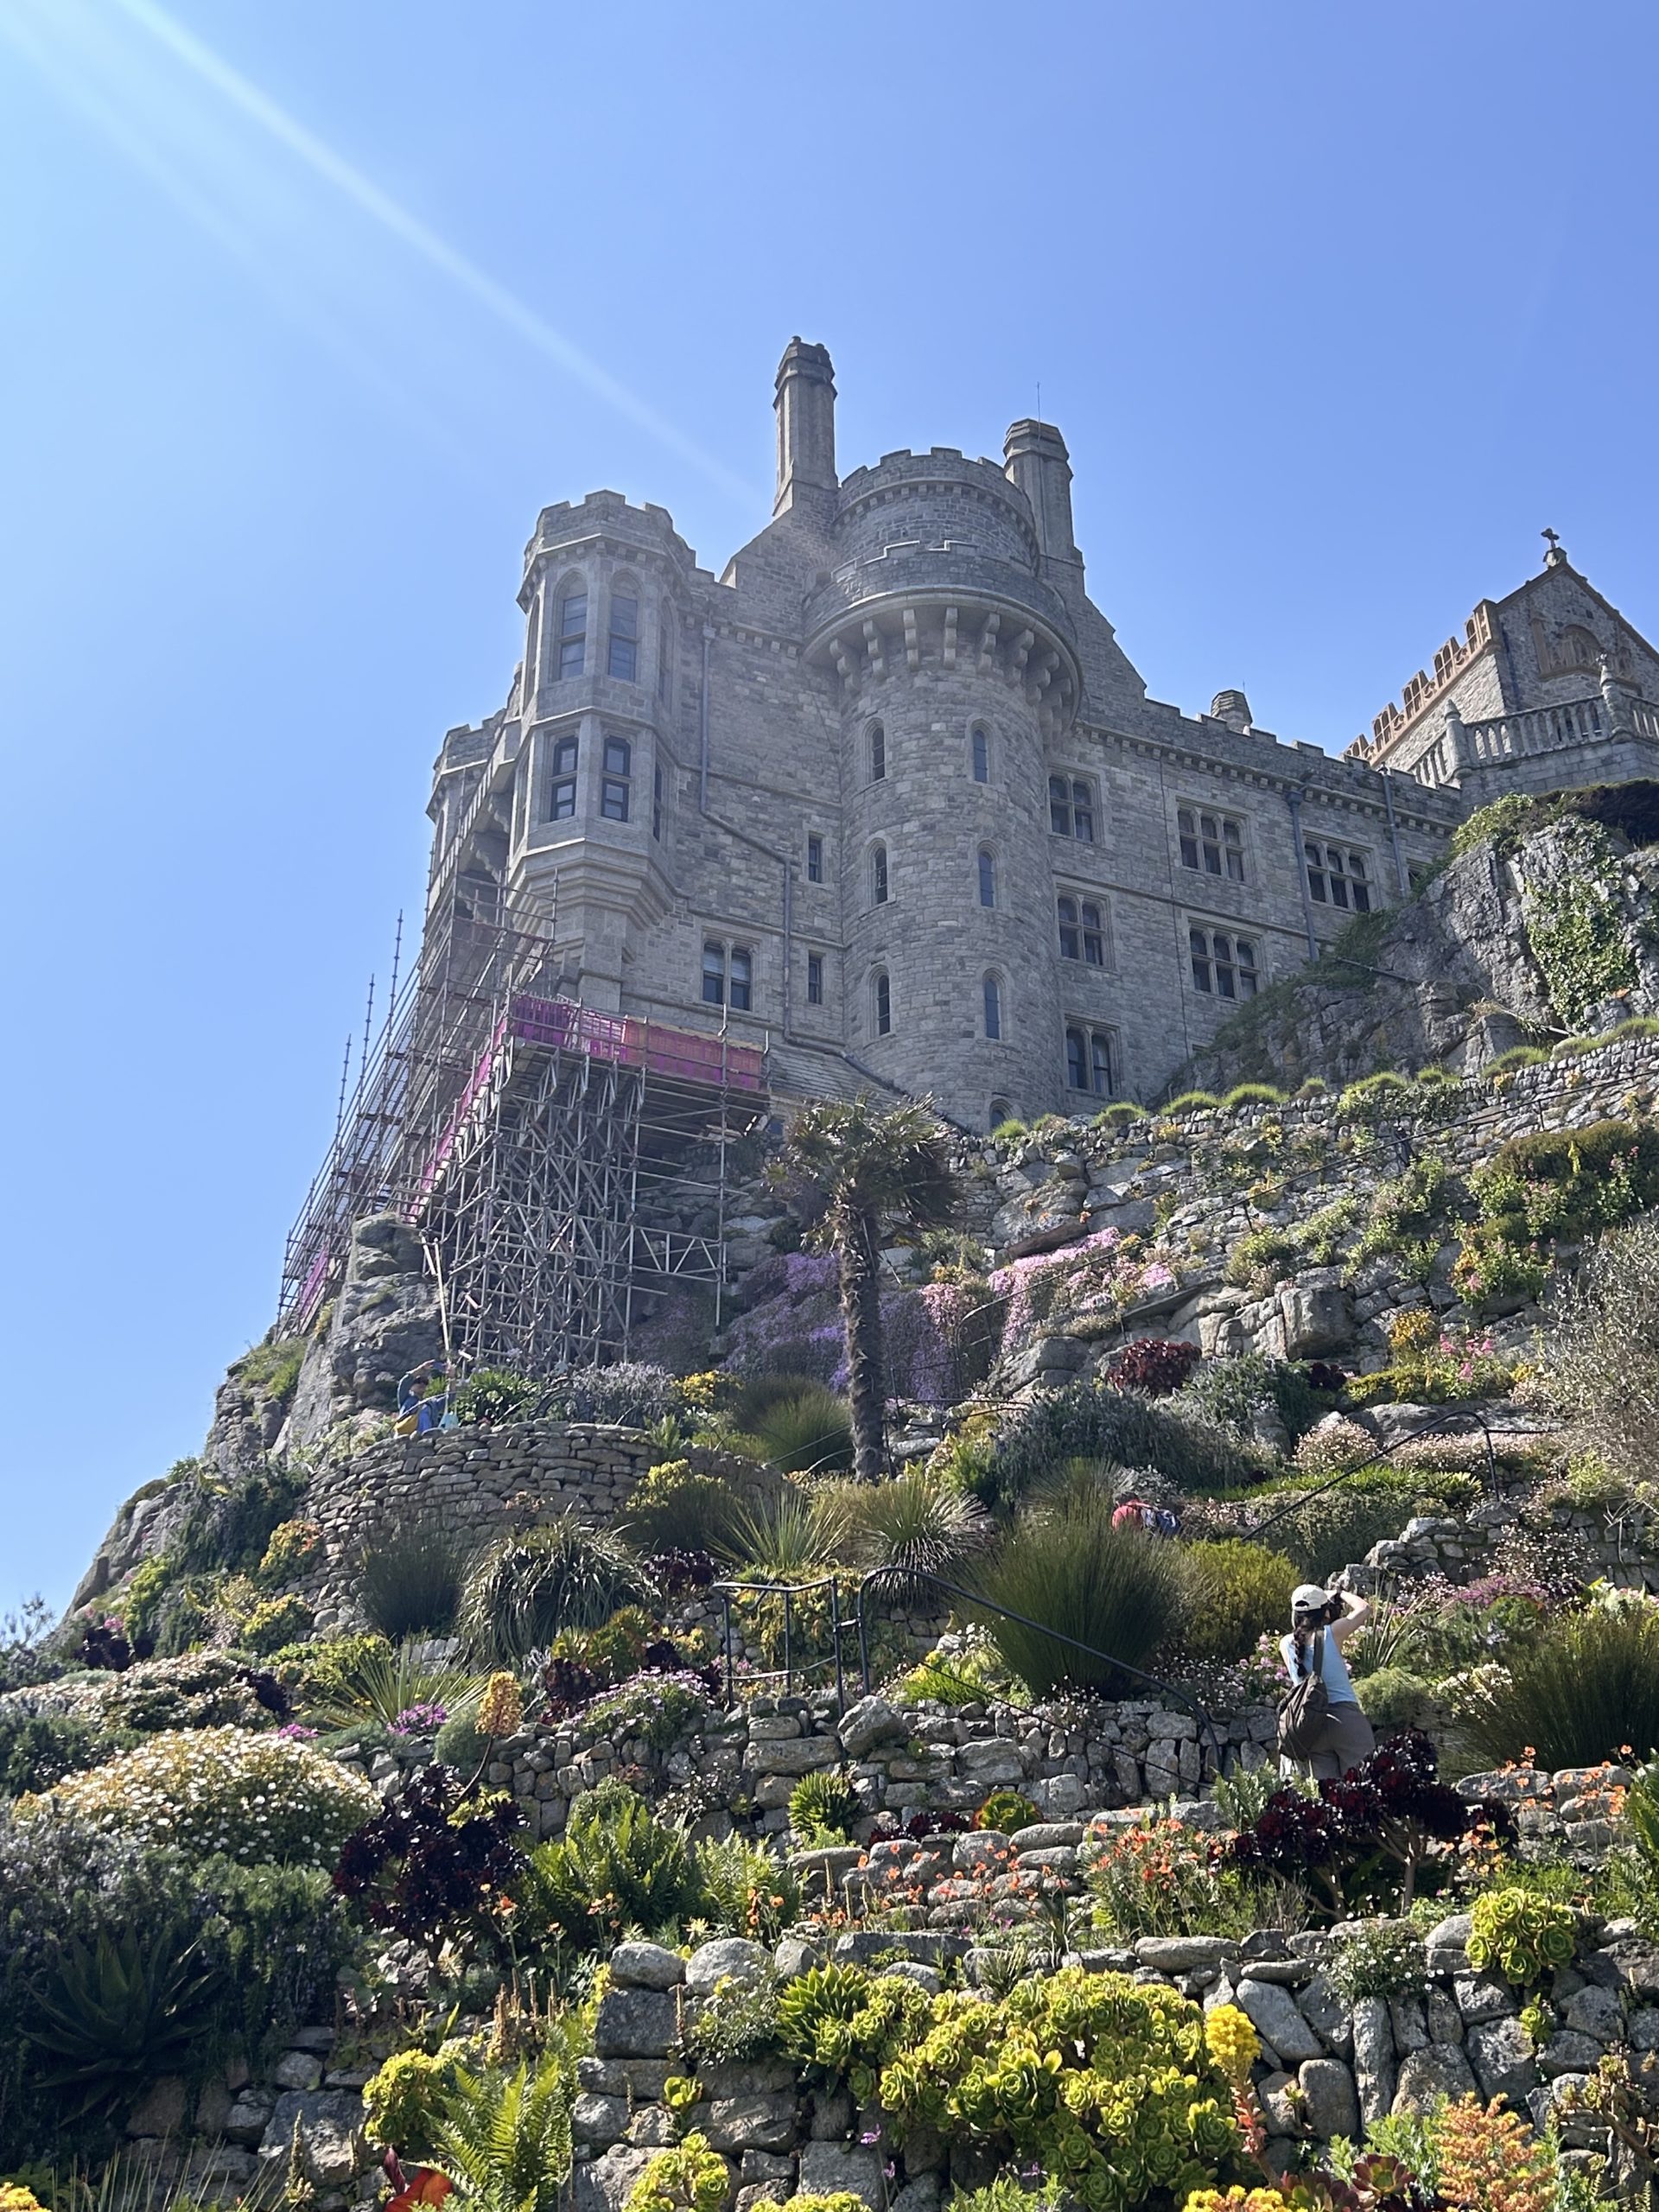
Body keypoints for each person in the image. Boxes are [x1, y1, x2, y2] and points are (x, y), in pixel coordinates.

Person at [1279, 1583, 1376, 1781]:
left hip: (1312, 1727)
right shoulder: (1333, 1633)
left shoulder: (1285, 1644)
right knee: (1368, 1784)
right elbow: (1365, 1609)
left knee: (1328, 1799)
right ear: (1326, 1614)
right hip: (1345, 1719)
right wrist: (1339, 1594)